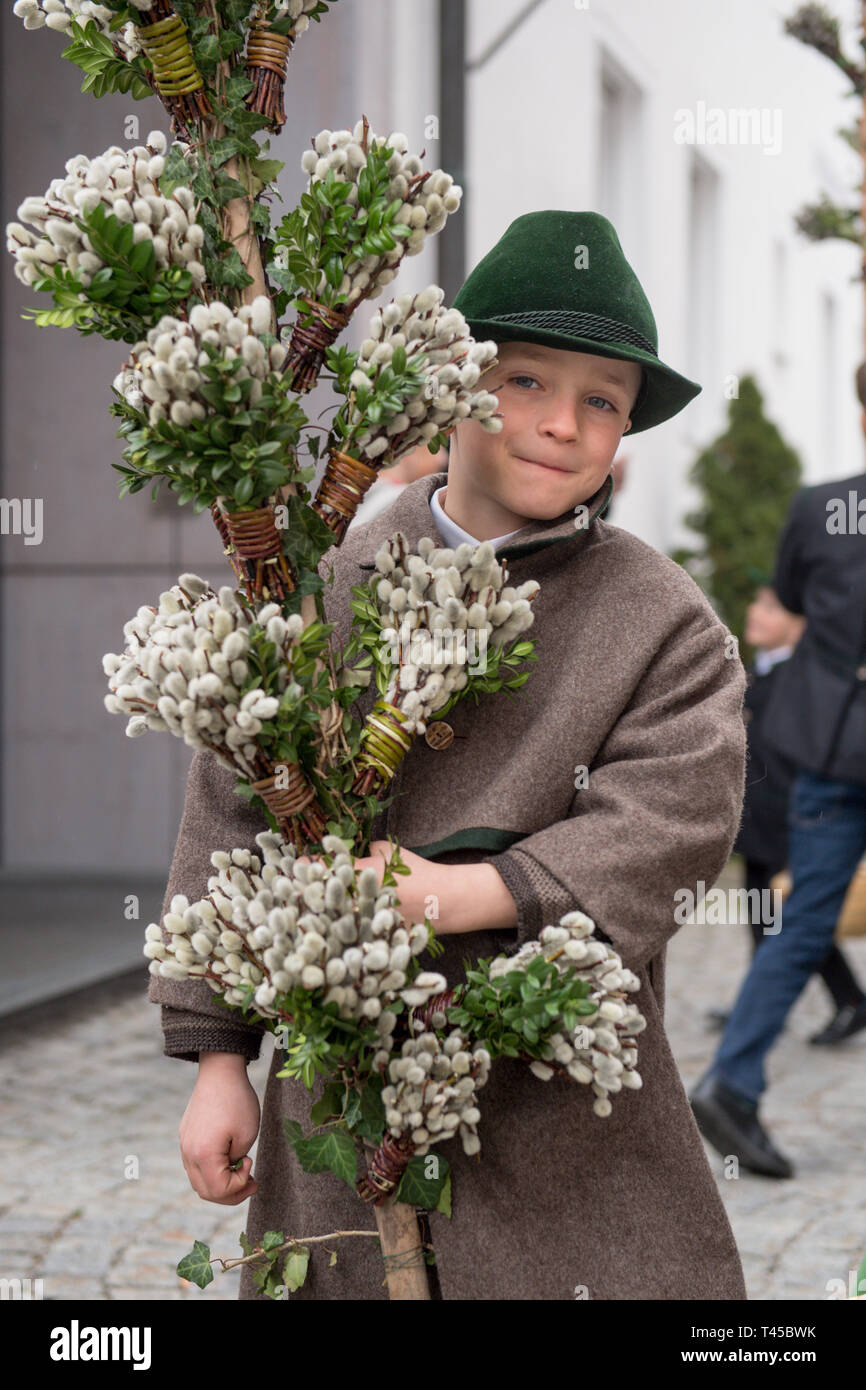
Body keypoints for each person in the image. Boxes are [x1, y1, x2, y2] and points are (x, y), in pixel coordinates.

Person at [150, 210, 749, 1299]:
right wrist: (220, 1058)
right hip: (340, 1095)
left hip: (560, 1111)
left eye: (602, 400)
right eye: (524, 381)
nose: (560, 422)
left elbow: (673, 821)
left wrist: (461, 894)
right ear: (453, 386)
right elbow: (233, 807)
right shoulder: (327, 578)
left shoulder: (660, 618)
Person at [691, 370, 866, 1179]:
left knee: (801, 927)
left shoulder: (820, 509)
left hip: (831, 749)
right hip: (833, 752)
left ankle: (731, 1083)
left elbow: (792, 599)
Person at [707, 583, 865, 1039]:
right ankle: (773, 1007)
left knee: (794, 920)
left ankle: (841, 1001)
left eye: (772, 607)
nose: (756, 612)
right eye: (757, 602)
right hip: (759, 823)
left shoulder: (804, 680)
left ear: (801, 623)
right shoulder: (755, 673)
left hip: (791, 825)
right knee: (769, 919)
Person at [347, 442, 448, 529]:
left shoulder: (352, 493)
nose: (442, 459)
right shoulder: (407, 502)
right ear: (409, 447)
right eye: (436, 445)